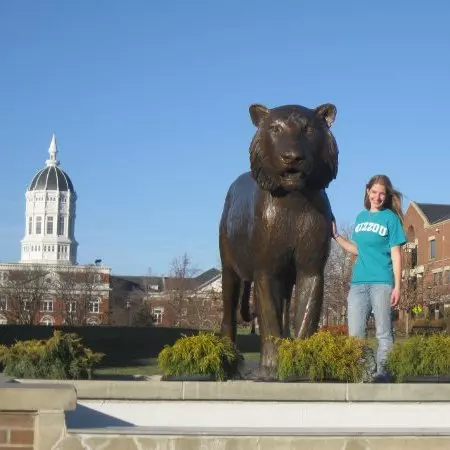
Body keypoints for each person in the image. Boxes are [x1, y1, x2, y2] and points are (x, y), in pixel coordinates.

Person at [332, 174, 406, 380]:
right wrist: (337, 236)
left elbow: (396, 254)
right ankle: (366, 371)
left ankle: (384, 374)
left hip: (382, 282)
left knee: (383, 333)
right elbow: (357, 249)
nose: (377, 197)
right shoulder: (361, 218)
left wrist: (397, 287)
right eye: (374, 192)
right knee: (355, 335)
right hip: (358, 283)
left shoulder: (390, 219)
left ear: (387, 195)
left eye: (382, 193)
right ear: (367, 191)